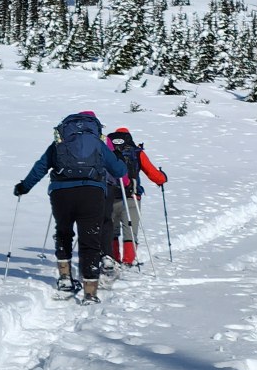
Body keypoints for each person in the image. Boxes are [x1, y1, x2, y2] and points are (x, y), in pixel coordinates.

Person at [13, 110, 127, 302]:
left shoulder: (59, 143)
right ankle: (90, 292)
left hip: (61, 193)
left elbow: (41, 167)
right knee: (89, 239)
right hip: (92, 193)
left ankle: (65, 280)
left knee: (64, 233)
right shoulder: (98, 144)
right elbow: (119, 170)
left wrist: (24, 187)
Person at [105, 126, 167, 268]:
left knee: (111, 231)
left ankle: (113, 259)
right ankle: (128, 261)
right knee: (130, 230)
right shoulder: (136, 152)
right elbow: (152, 173)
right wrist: (162, 178)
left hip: (109, 196)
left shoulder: (107, 151)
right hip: (131, 196)